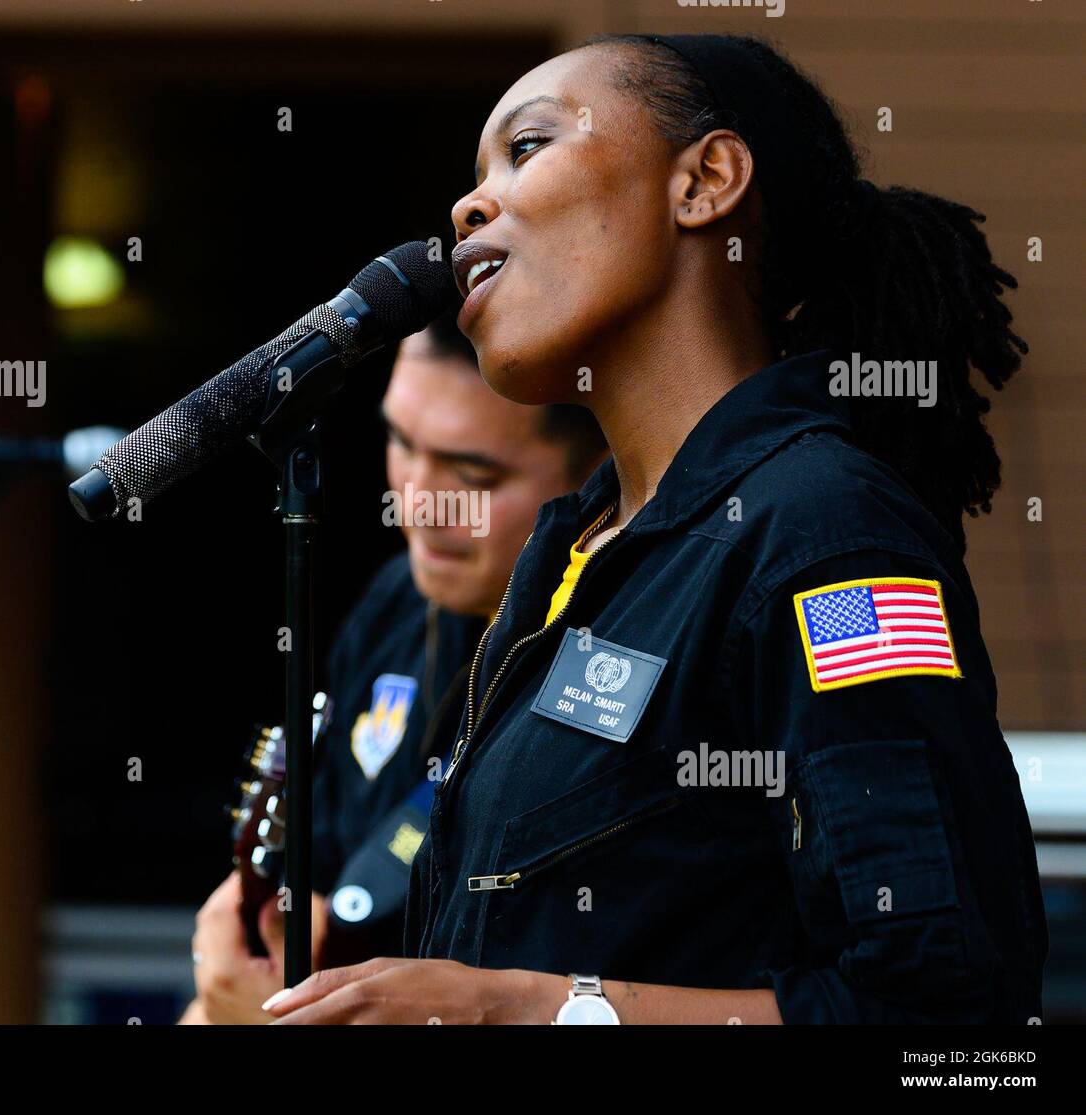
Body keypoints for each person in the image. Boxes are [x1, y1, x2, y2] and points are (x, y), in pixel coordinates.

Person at [264, 33, 1048, 1025]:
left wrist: (530, 1010)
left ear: (705, 181)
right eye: (472, 176)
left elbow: (948, 1010)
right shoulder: (570, 553)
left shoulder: (829, 536)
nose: (467, 208)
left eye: (528, 145)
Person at [179, 309, 607, 1023]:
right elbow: (305, 908)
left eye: (472, 473)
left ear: (597, 473)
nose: (417, 502)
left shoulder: (616, 656)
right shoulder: (396, 605)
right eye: (402, 443)